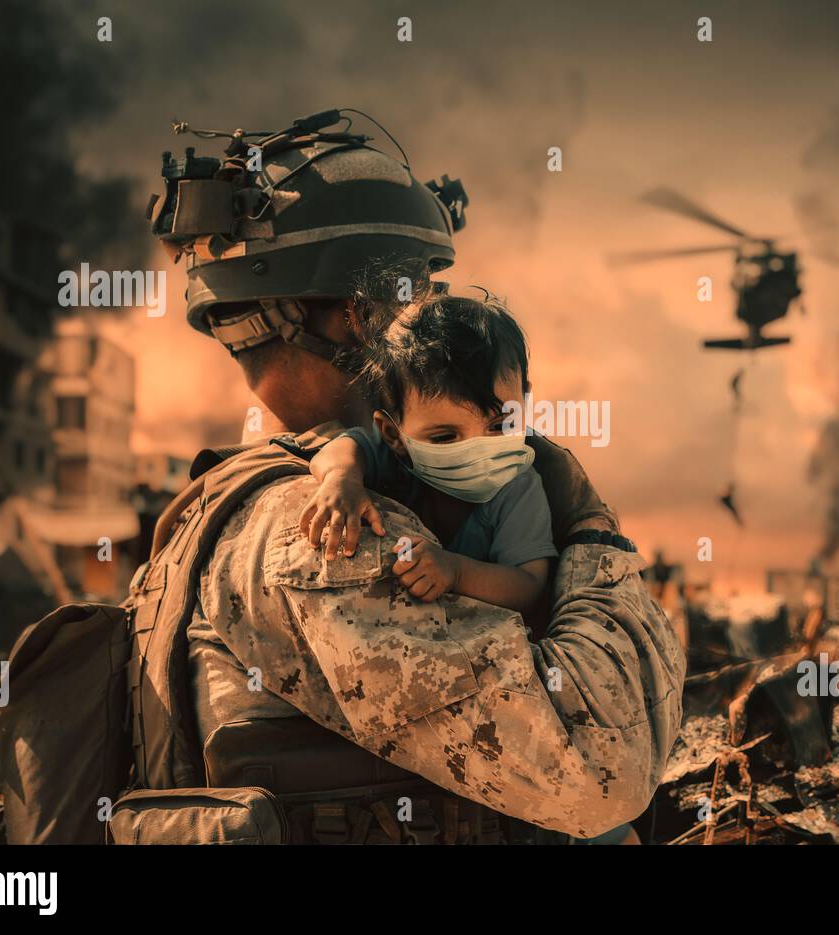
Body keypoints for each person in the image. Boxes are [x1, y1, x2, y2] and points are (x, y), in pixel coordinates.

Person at [124, 110, 684, 843]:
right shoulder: (329, 528)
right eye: (414, 291)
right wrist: (590, 535)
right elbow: (599, 764)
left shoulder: (277, 490)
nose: (427, 318)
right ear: (362, 317)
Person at [299, 292, 554, 620]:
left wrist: (457, 572)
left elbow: (530, 586)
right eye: (446, 436)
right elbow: (336, 449)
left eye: (502, 425)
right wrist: (341, 478)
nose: (479, 448)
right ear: (394, 435)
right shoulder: (390, 458)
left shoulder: (517, 486)